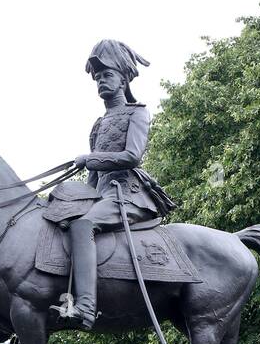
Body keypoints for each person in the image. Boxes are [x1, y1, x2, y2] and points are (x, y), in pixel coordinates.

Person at [53, 39, 176, 328]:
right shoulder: (98, 124)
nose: (100, 82)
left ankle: (85, 307)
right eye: (97, 78)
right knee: (55, 219)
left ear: (123, 79)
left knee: (83, 225)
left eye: (107, 75)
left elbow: (132, 156)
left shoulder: (138, 113)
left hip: (129, 194)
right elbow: (93, 180)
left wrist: (90, 159)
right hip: (103, 194)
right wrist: (74, 198)